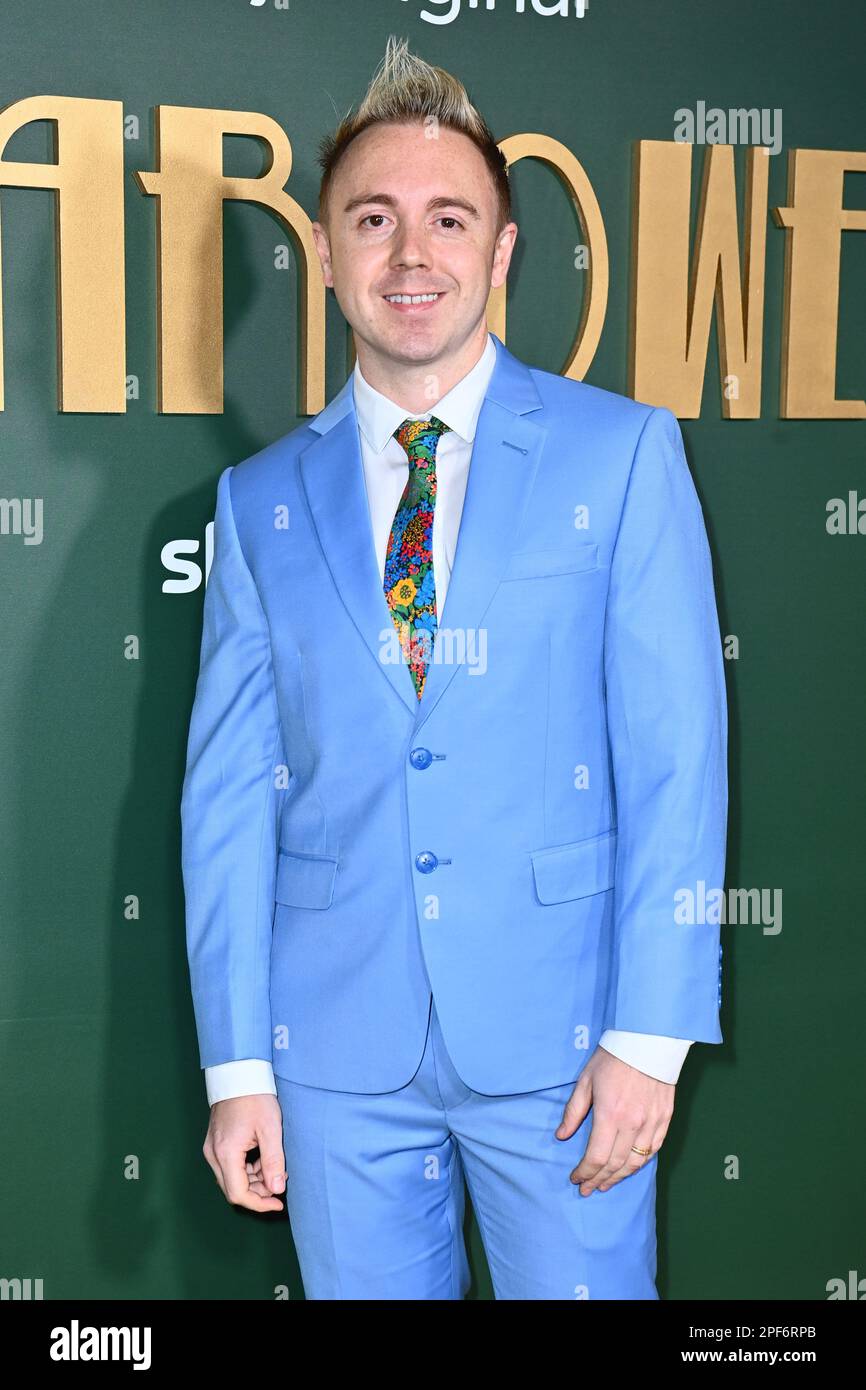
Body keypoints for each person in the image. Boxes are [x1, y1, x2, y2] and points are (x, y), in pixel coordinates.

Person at [180, 36, 728, 1300]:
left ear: (500, 250)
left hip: (565, 1038)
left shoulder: (621, 455)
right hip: (327, 1057)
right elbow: (225, 800)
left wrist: (649, 1036)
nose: (409, 254)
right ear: (323, 253)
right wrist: (235, 1067)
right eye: (372, 220)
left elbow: (675, 757)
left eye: (447, 219)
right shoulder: (257, 500)